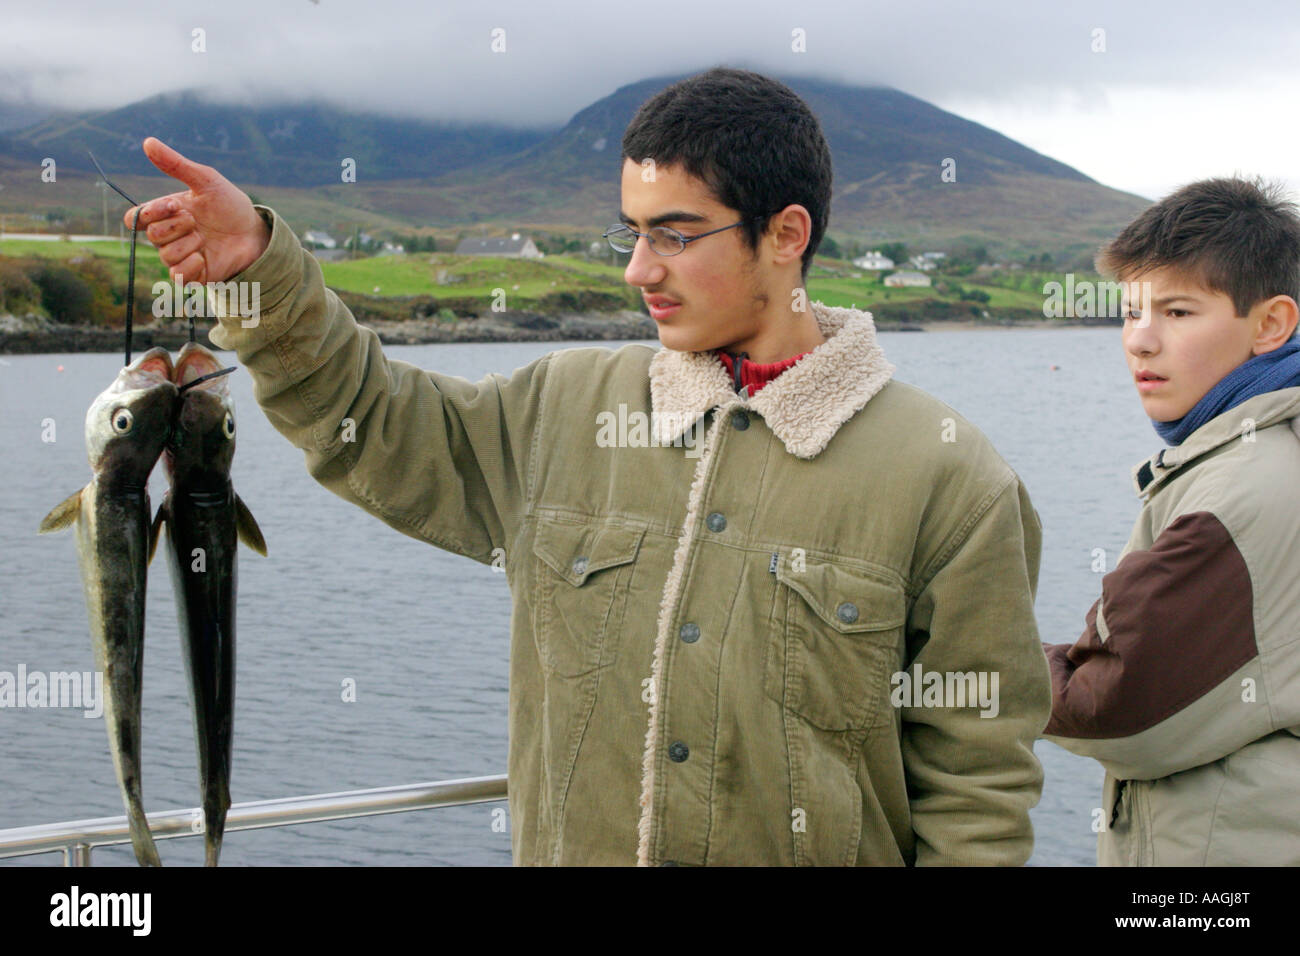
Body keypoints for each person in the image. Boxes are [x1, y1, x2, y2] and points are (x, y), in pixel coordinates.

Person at [127, 66, 1050, 866]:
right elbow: (372, 419)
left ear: (787, 233)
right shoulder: (561, 411)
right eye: (632, 233)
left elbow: (979, 789)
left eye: (676, 235)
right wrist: (261, 272)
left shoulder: (953, 481)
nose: (638, 270)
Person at [1041, 177, 1300, 866]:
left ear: (1271, 324)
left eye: (1179, 312)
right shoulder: (1244, 457)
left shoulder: (1246, 486)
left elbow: (1118, 706)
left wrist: (969, 665)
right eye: (1131, 312)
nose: (1140, 342)